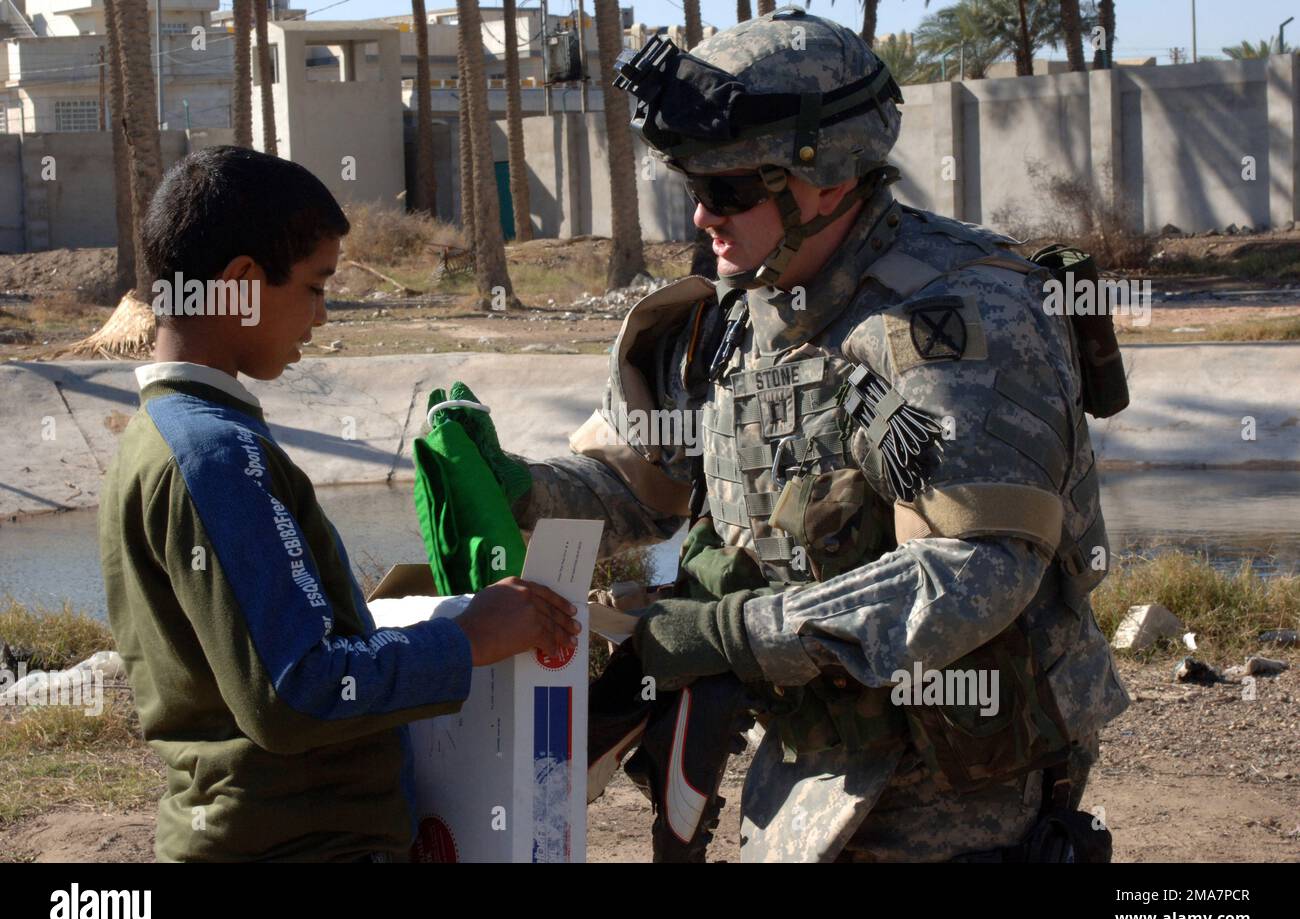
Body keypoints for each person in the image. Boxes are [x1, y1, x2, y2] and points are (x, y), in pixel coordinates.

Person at [502, 8, 1130, 862]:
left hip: (965, 792)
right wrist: (515, 489)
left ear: (828, 181)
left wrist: (730, 635)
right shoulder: (727, 314)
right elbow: (637, 486)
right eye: (692, 188)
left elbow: (978, 572)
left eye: (728, 190)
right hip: (810, 769)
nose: (701, 218)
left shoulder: (958, 315)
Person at [98, 146, 579, 862]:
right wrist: (470, 636)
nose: (322, 316)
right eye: (316, 286)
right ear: (242, 284)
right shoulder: (214, 456)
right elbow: (295, 691)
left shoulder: (161, 436)